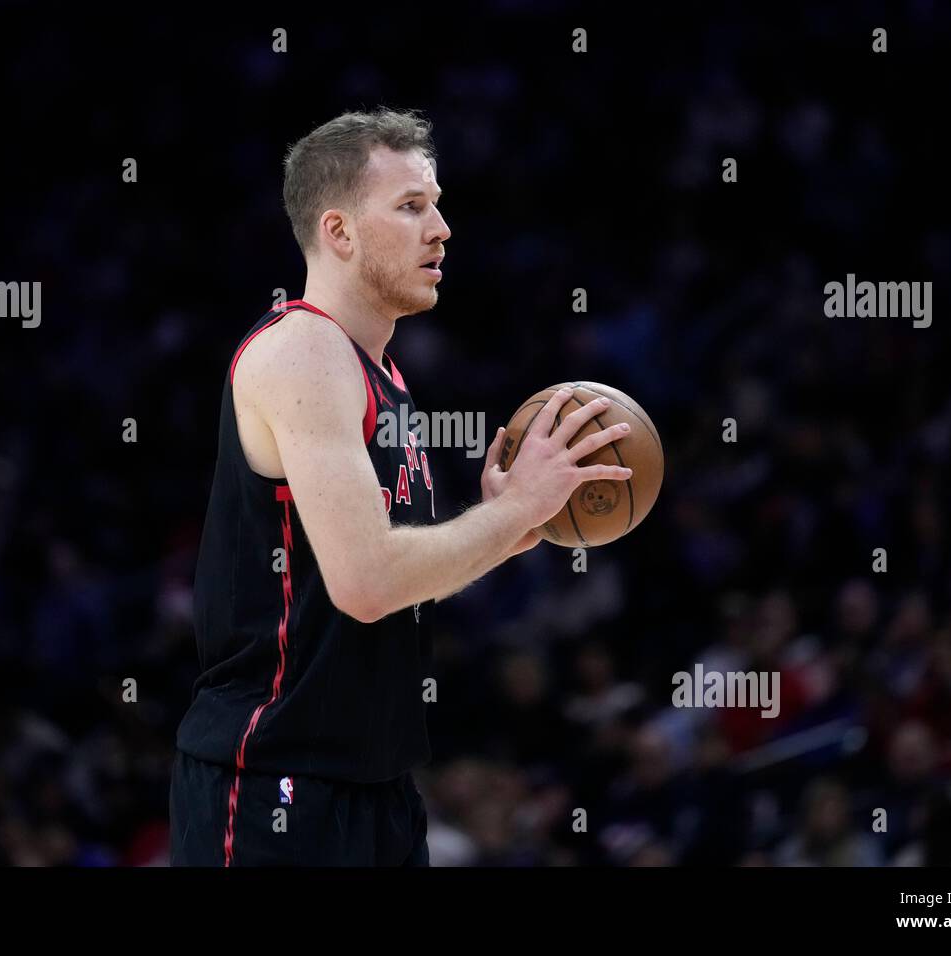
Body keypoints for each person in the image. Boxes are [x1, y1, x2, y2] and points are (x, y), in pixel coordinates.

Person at [169, 108, 632, 866]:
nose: (443, 228)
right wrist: (514, 507)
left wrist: (505, 529)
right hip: (275, 784)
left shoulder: (381, 376)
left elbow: (390, 576)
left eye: (438, 204)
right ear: (341, 232)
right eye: (412, 207)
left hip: (374, 786)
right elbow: (367, 580)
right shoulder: (305, 350)